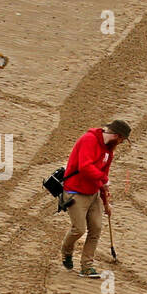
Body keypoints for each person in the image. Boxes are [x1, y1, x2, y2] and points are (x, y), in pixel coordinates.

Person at [59, 119, 130, 278]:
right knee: (79, 229)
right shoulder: (89, 139)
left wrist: (106, 203)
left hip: (93, 194)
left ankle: (87, 266)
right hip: (75, 191)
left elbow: (104, 179)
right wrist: (104, 179)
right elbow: (85, 167)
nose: (121, 143)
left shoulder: (109, 151)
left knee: (96, 228)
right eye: (122, 140)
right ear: (117, 136)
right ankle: (67, 251)